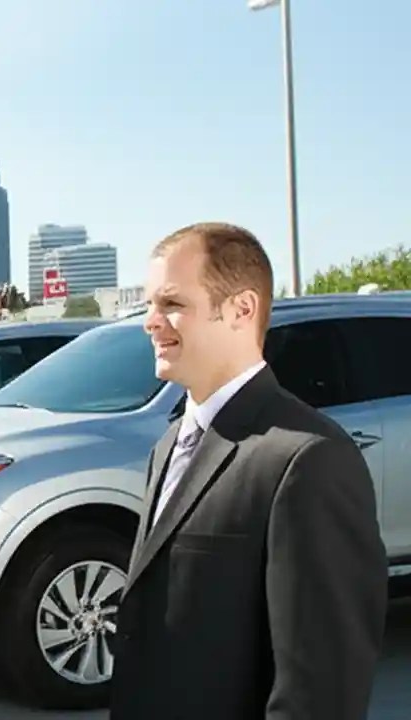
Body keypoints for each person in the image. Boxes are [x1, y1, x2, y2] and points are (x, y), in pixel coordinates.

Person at [111, 223, 387, 720]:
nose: (150, 322)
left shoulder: (308, 460)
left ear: (242, 310)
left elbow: (319, 692)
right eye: (151, 304)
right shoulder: (170, 443)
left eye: (172, 303)